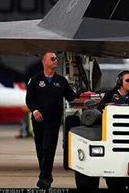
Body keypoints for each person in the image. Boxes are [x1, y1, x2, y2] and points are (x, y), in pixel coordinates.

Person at [25, 52, 78, 189]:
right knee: (40, 148)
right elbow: (29, 99)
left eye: (57, 58)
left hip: (53, 121)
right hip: (38, 120)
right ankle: (47, 175)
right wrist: (34, 111)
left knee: (49, 148)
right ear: (44, 61)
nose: (56, 61)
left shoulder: (61, 81)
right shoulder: (35, 80)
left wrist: (85, 99)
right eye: (53, 59)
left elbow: (72, 97)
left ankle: (43, 179)